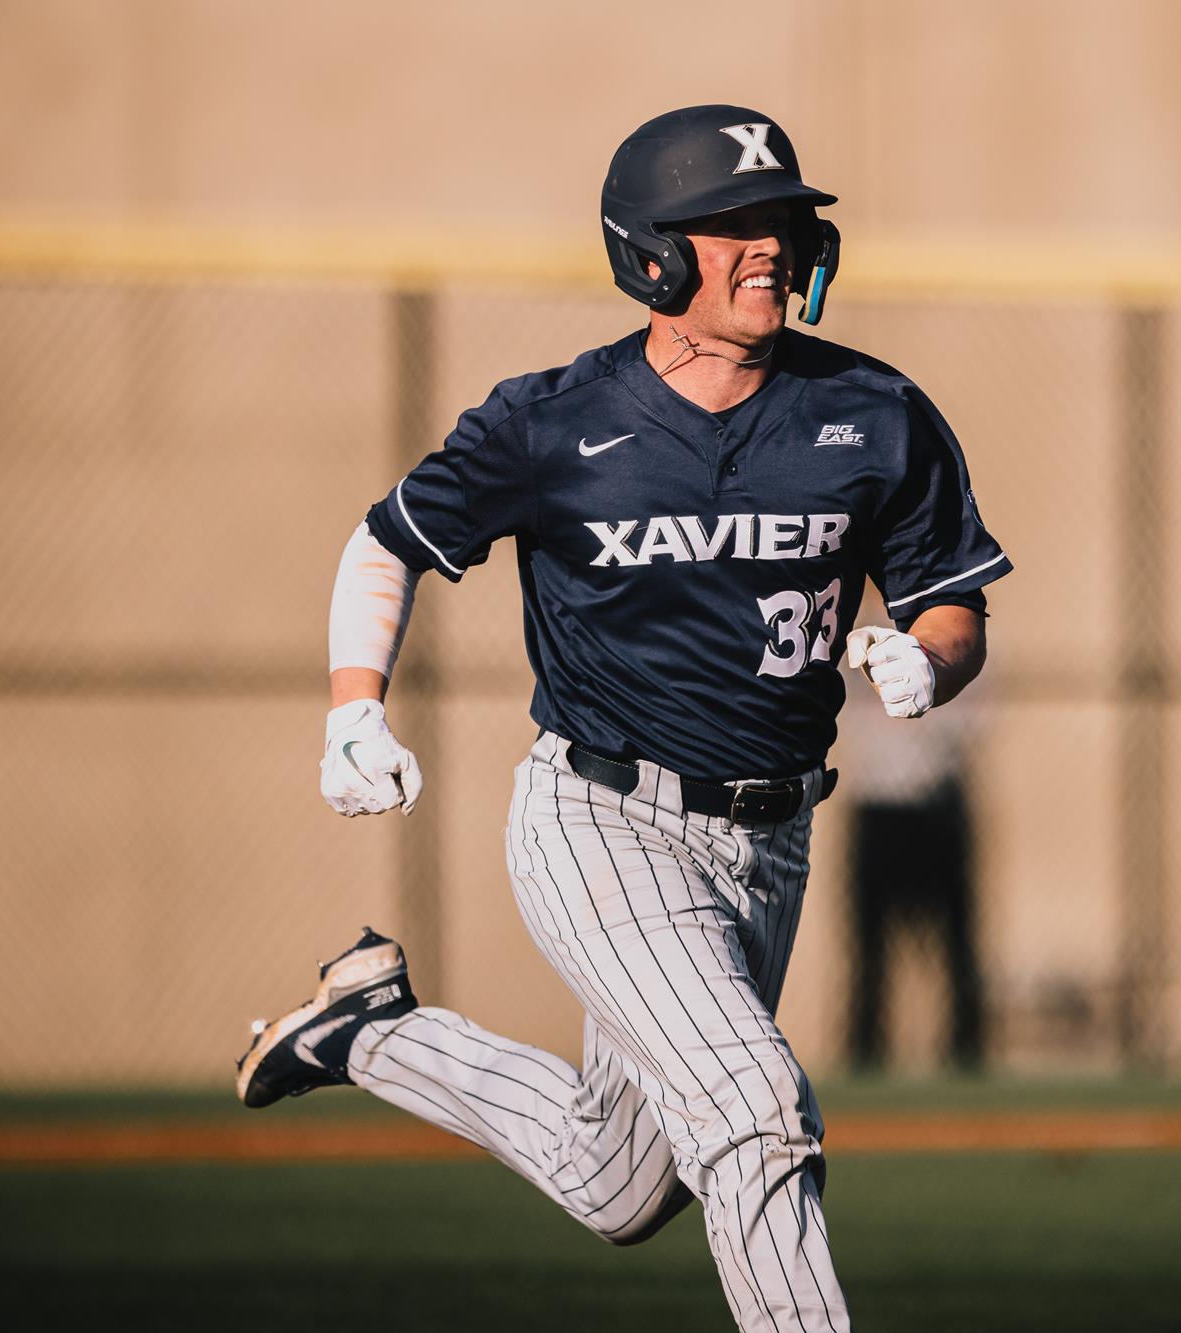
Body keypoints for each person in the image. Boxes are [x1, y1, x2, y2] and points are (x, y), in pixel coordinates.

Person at [235, 105, 1012, 1333]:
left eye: (781, 223)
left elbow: (950, 607)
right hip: (601, 814)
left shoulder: (875, 413)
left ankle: (366, 1036)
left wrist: (928, 662)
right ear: (651, 252)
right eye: (731, 226)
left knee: (619, 1180)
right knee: (754, 1106)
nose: (769, 246)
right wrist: (351, 711)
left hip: (769, 839)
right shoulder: (552, 420)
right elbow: (387, 544)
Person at [839, 699, 986, 1072]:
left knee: (956, 940)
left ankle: (964, 1046)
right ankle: (866, 1048)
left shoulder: (961, 642)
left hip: (938, 801)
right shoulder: (856, 645)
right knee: (869, 944)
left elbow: (975, 716)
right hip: (878, 802)